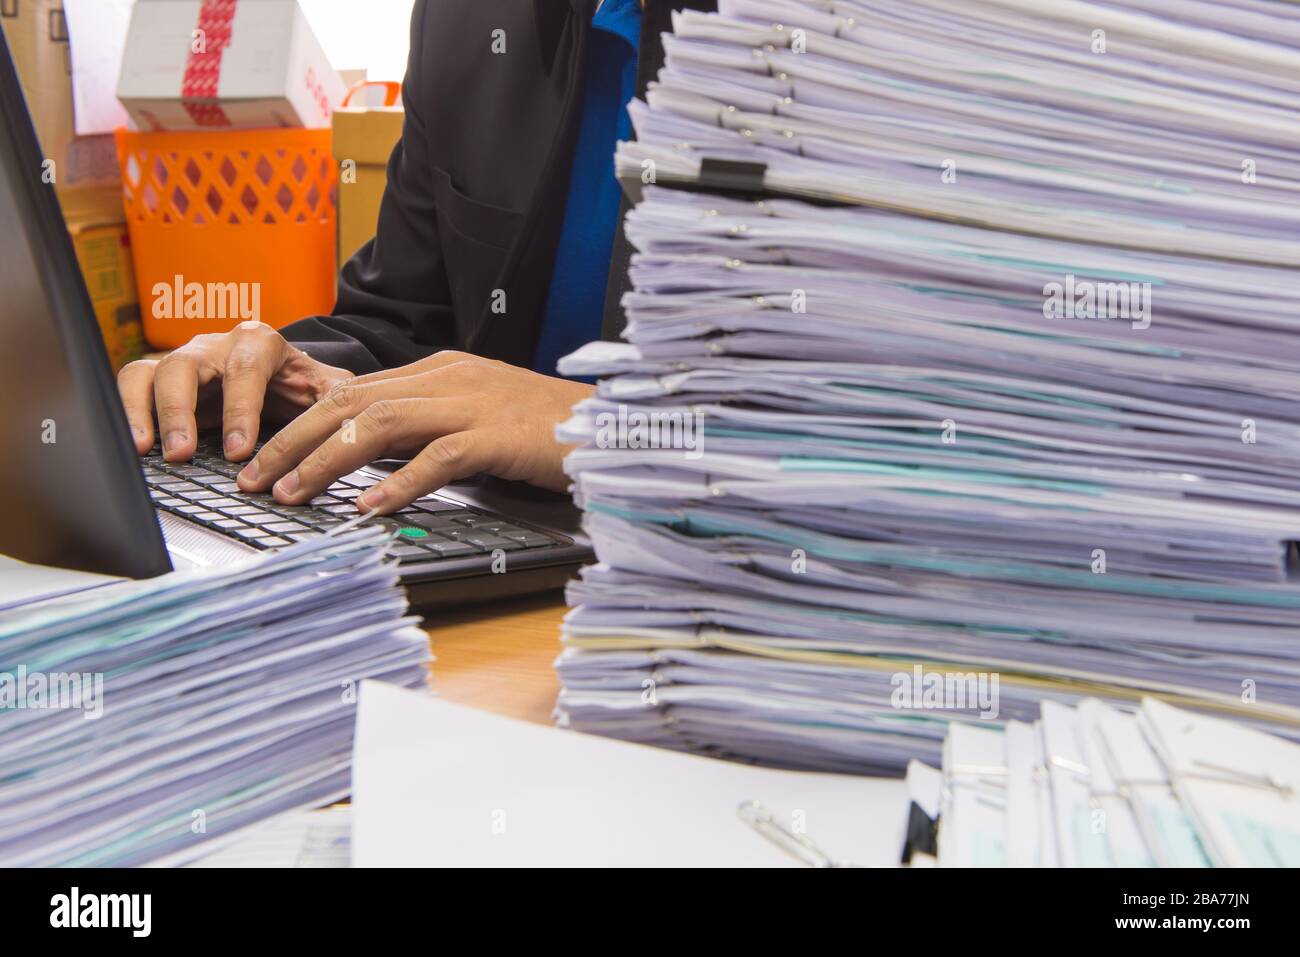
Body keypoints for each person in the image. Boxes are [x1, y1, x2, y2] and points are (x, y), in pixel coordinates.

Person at [115, 0, 714, 515]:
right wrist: (284, 377)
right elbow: (403, 323)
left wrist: (608, 431)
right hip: (500, 551)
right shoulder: (464, 20)